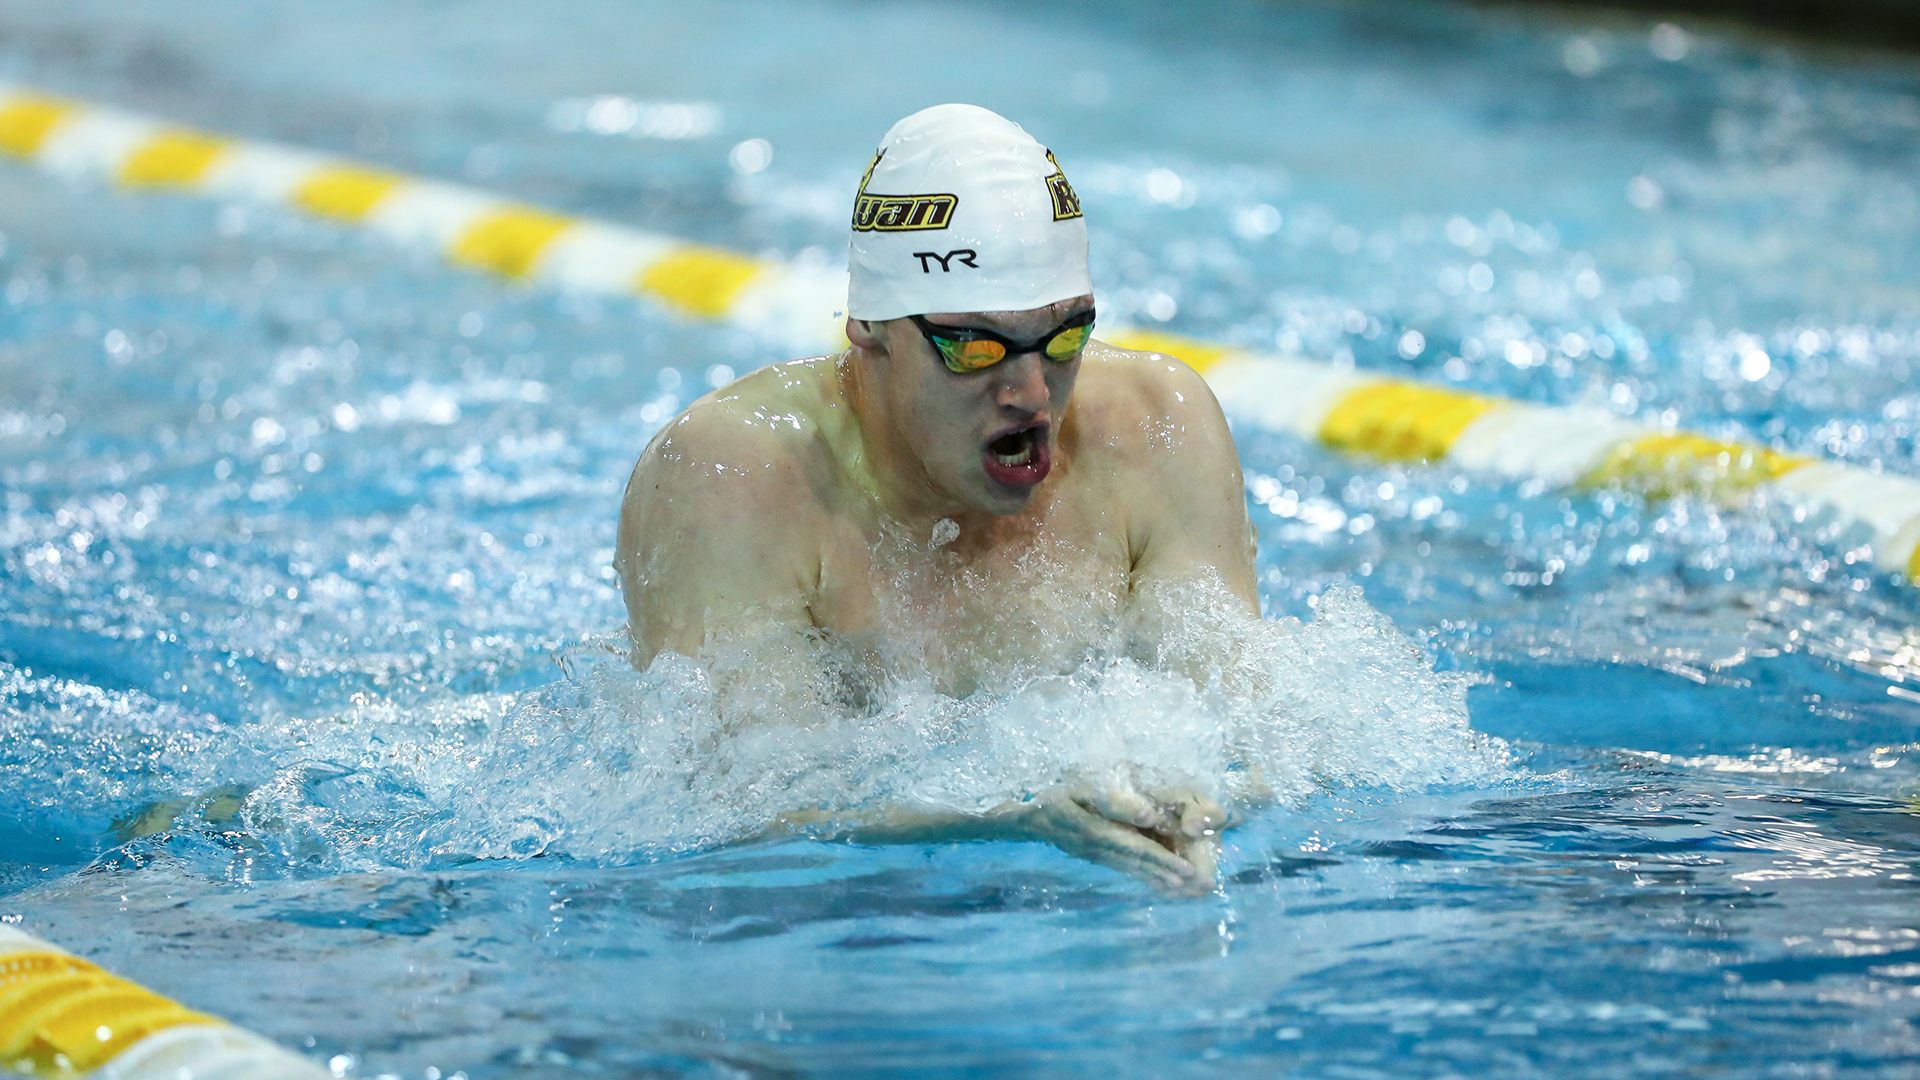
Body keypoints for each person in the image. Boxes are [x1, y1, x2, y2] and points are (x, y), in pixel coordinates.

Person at [615, 104, 1258, 894]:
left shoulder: (1156, 428)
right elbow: (738, 814)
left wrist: (1197, 793)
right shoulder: (736, 477)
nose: (1032, 393)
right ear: (870, 328)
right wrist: (1006, 816)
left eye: (1065, 337)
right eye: (974, 347)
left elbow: (1252, 726)